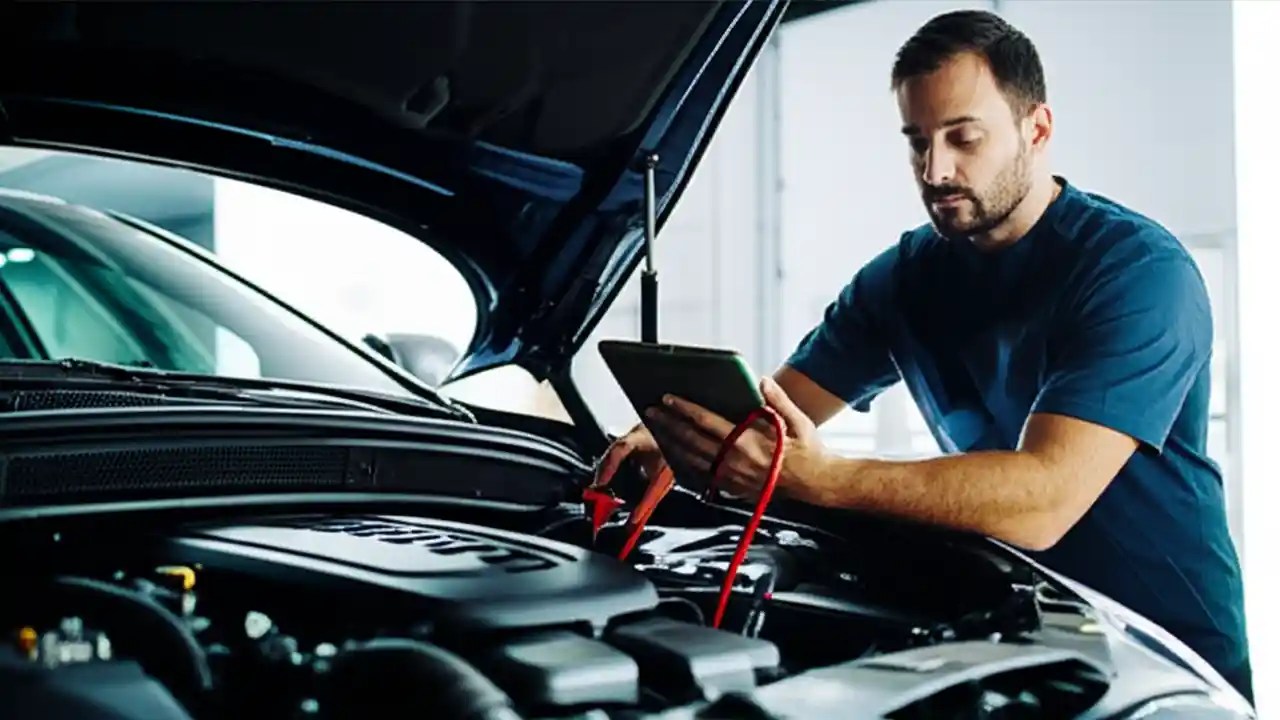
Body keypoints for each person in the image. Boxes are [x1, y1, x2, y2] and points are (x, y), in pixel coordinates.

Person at [592, 8, 1252, 703]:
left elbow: (1045, 501)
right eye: (917, 142)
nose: (935, 170)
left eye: (964, 138)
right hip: (1016, 631)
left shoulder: (1138, 273)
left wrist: (825, 479)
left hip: (1165, 665)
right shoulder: (904, 278)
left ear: (1038, 129)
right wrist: (684, 431)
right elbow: (774, 420)